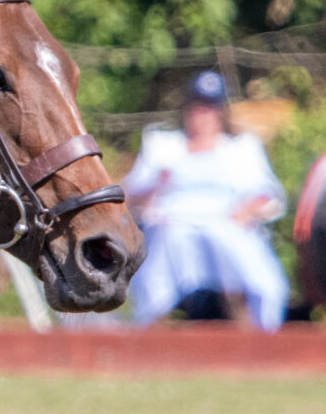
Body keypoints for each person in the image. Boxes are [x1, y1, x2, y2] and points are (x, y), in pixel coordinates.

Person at [123, 69, 290, 330]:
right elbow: (130, 196)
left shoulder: (241, 148)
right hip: (173, 225)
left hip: (228, 223)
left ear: (221, 111)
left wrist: (247, 210)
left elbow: (268, 196)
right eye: (197, 107)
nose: (202, 115)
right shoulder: (164, 145)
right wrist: (157, 184)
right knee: (163, 254)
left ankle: (258, 331)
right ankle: (151, 327)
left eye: (210, 108)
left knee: (256, 272)